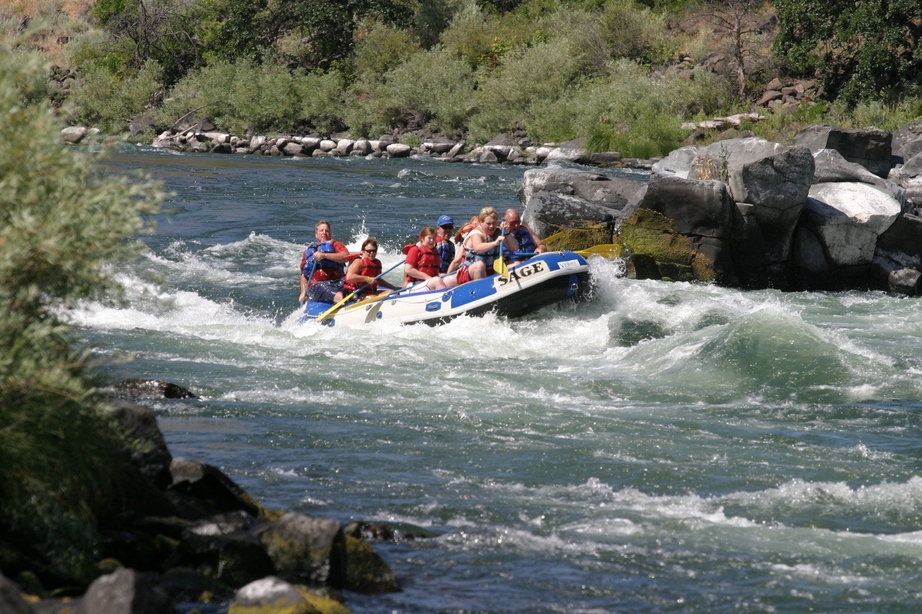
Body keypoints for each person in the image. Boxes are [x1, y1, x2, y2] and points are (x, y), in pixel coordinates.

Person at [453, 206, 518, 284]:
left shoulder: (498, 231)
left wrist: (507, 233)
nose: (491, 226)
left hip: (491, 270)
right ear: (481, 222)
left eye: (494, 223)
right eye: (488, 224)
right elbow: (478, 248)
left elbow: (515, 248)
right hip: (470, 272)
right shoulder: (476, 233)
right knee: (479, 266)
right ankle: (479, 290)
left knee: (515, 263)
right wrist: (495, 243)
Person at [298, 220, 354, 303]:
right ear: (316, 235)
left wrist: (324, 255)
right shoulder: (308, 252)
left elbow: (346, 256)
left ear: (330, 234)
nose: (324, 232)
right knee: (336, 294)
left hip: (338, 282)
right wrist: (303, 292)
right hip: (317, 285)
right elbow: (304, 274)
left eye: (327, 231)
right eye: (321, 230)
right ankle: (340, 300)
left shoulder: (336, 245)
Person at [404, 227, 458, 292]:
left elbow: (432, 271)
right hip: (414, 286)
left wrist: (442, 275)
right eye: (429, 238)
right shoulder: (415, 250)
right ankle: (446, 298)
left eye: (434, 238)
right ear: (422, 238)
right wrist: (428, 278)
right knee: (437, 280)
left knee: (453, 279)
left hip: (428, 283)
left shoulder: (435, 252)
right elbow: (408, 270)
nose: (432, 240)